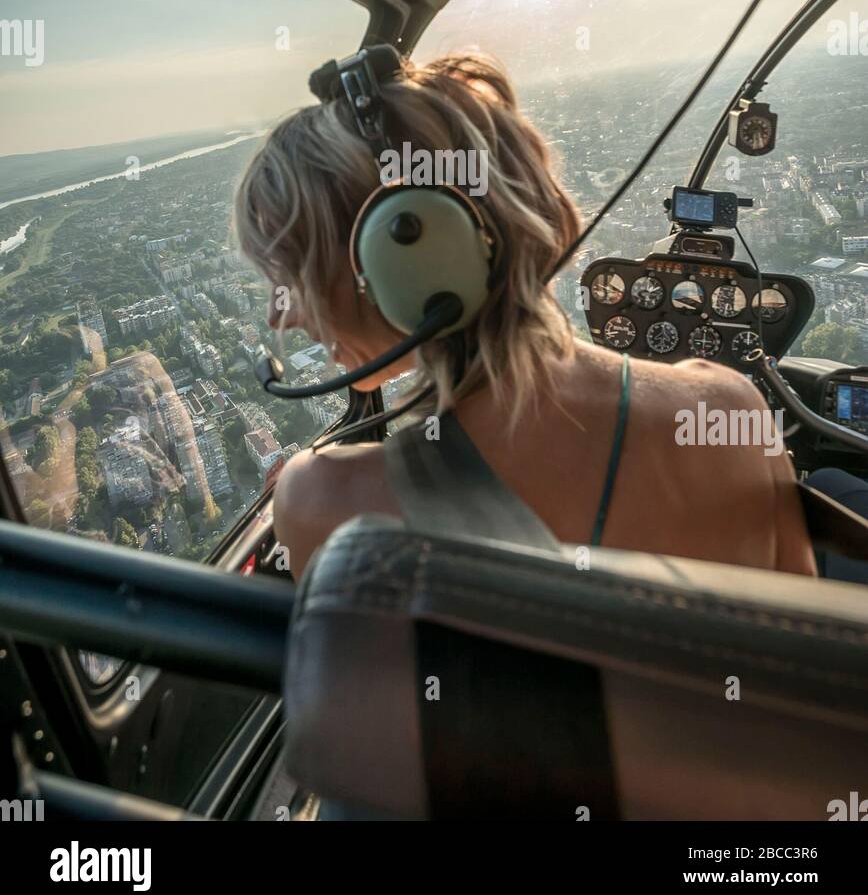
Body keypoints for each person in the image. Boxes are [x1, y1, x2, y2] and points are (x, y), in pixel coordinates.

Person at [234, 51, 816, 580]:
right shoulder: (732, 409)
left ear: (403, 250)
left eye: (292, 281)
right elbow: (809, 655)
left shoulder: (323, 498)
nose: (280, 317)